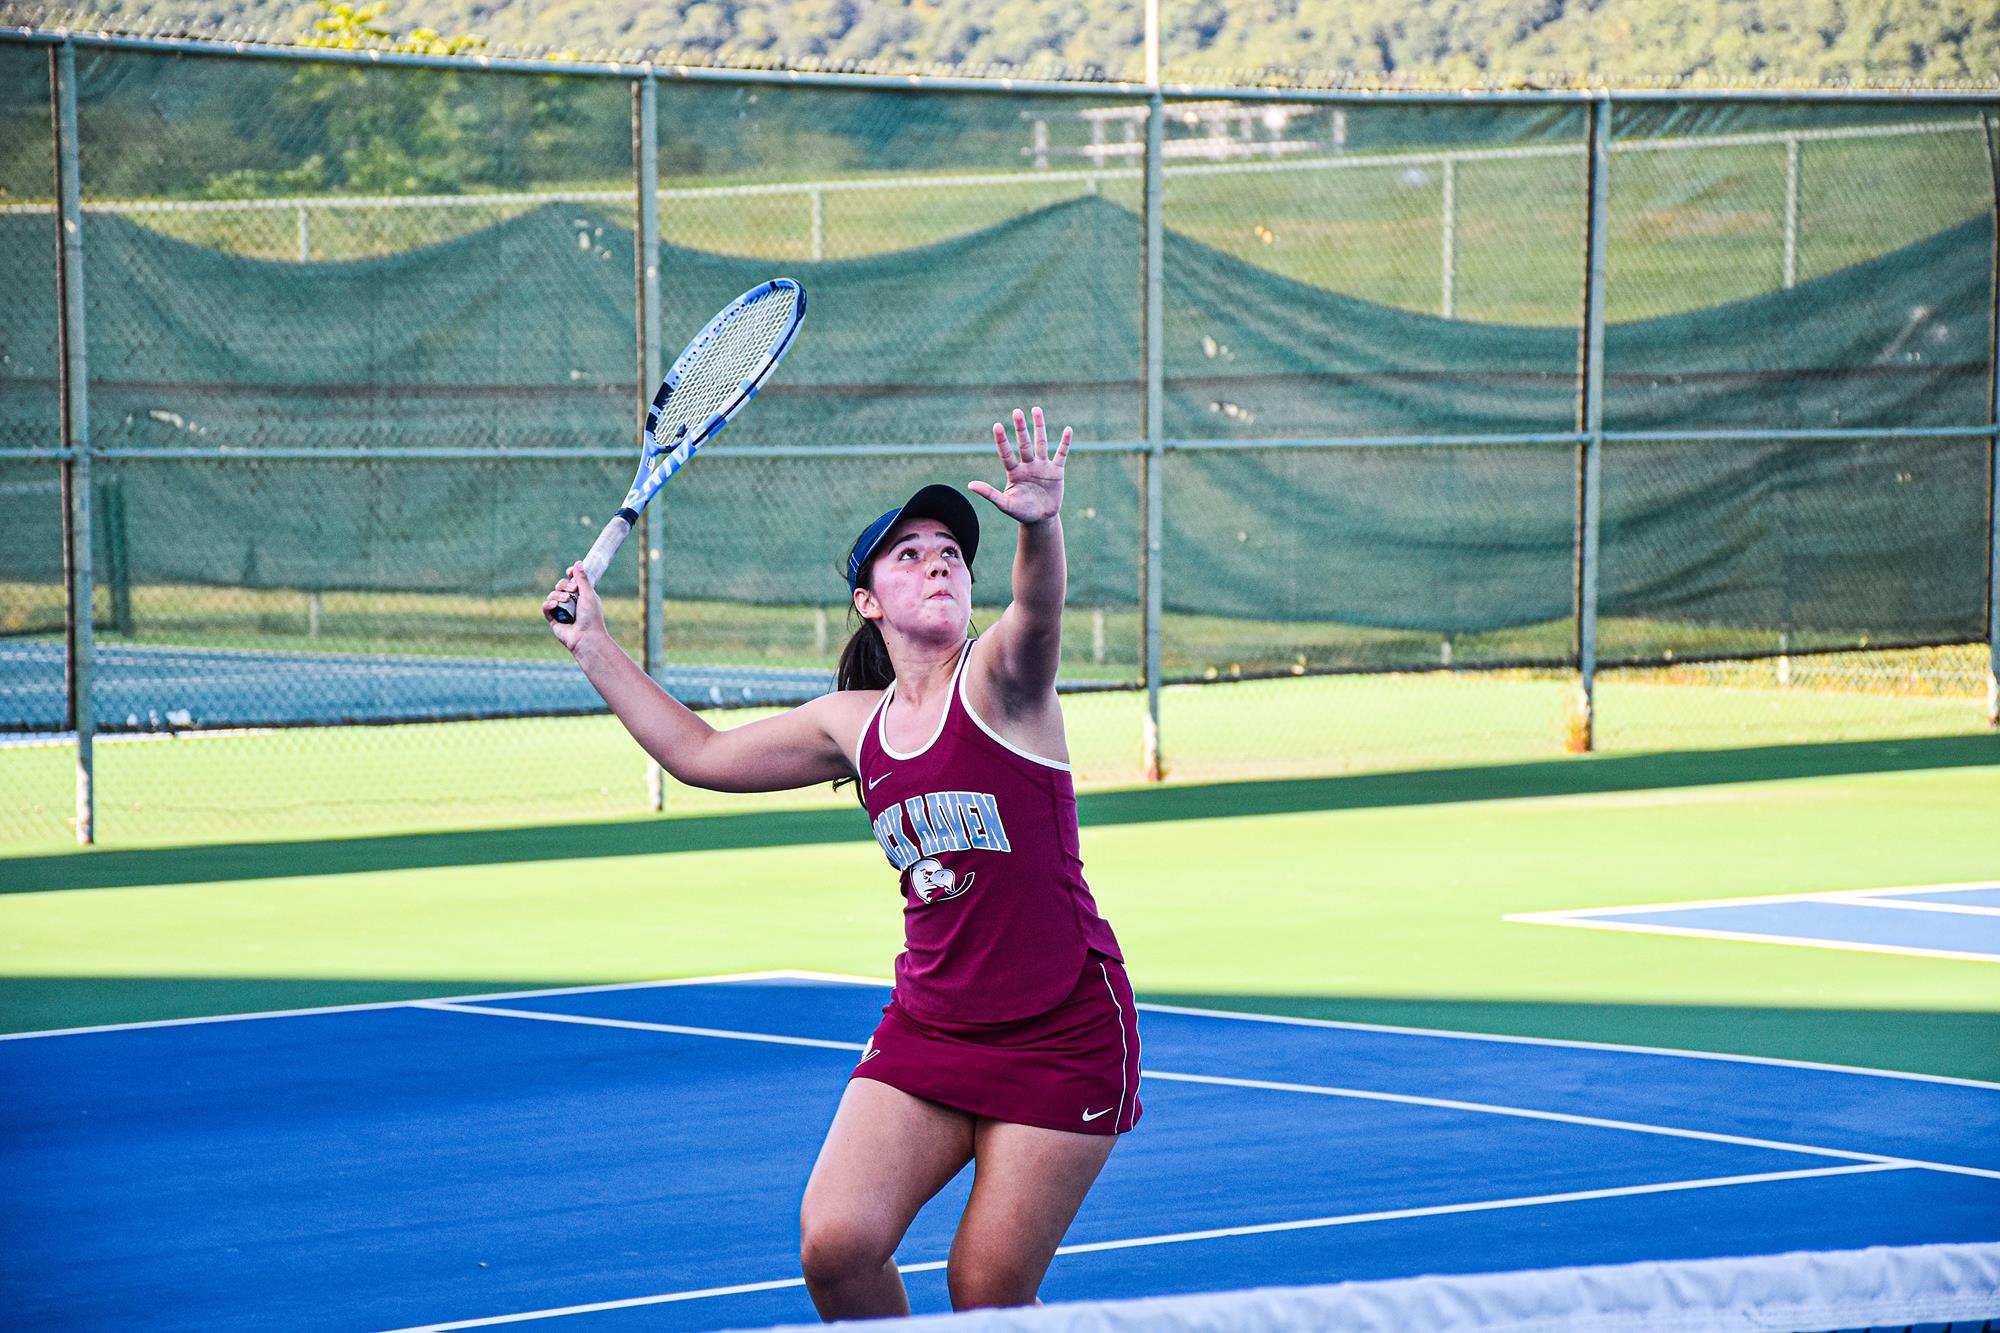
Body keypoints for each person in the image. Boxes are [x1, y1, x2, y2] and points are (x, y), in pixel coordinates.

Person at [544, 406, 1140, 1319]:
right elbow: (701, 753)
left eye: (950, 551)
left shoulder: (1000, 683)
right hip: (934, 1026)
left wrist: (1042, 524)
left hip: (1061, 1031)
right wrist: (592, 641)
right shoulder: (851, 725)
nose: (937, 560)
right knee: (837, 1244)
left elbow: (1039, 608)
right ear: (868, 600)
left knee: (984, 1288)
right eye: (909, 554)